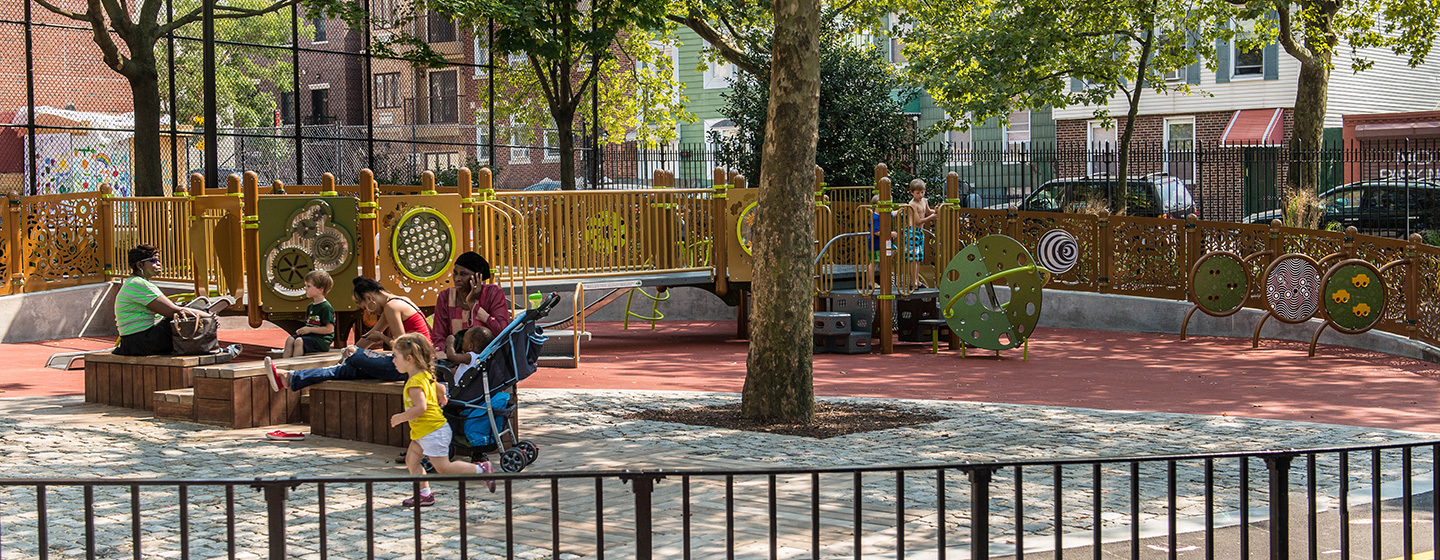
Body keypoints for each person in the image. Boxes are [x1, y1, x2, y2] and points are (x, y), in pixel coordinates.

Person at [387, 333, 496, 506]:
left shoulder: (414, 383)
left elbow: (420, 408)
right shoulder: (424, 375)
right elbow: (438, 386)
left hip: (432, 432)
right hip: (425, 431)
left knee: (443, 467)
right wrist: (442, 395)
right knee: (411, 460)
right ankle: (424, 494)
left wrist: (400, 417)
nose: (393, 360)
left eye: (395, 356)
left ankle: (481, 469)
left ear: (409, 358)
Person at [114, 244, 238, 357]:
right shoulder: (138, 284)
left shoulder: (134, 283)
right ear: (139, 265)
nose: (158, 264)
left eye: (158, 260)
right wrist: (207, 317)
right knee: (183, 318)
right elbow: (173, 311)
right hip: (142, 342)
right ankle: (217, 352)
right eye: (152, 261)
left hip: (134, 343)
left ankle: (212, 349)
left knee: (188, 315)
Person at [429, 252, 510, 352]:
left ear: (478, 277)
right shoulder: (445, 297)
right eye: (455, 273)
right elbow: (438, 337)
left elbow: (502, 332)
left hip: (488, 359)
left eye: (463, 274)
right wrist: (448, 356)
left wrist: (473, 305)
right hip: (453, 359)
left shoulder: (493, 293)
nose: (457, 278)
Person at [352, 276, 431, 349]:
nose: (369, 313)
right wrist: (351, 352)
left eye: (365, 308)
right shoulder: (396, 302)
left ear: (369, 297)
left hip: (418, 358)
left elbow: (402, 346)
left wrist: (381, 337)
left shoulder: (392, 307)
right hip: (421, 354)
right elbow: (370, 335)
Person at [283, 270, 336, 357]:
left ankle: (296, 368)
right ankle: (283, 366)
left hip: (321, 340)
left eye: (309, 286)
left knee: (299, 341)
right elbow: (309, 324)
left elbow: (329, 329)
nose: (305, 288)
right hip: (310, 337)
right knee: (290, 339)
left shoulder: (326, 307)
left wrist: (310, 329)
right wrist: (303, 330)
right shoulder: (310, 306)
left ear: (320, 289)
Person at [903, 179, 937, 289]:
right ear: (912, 192)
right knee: (913, 259)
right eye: (918, 193)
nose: (920, 195)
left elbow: (927, 211)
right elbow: (917, 221)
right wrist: (931, 218)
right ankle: (913, 281)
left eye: (922, 192)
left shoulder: (924, 201)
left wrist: (935, 211)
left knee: (918, 259)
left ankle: (917, 281)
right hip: (912, 232)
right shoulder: (912, 204)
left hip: (920, 232)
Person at [864, 195, 897, 291]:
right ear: (875, 206)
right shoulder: (875, 218)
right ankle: (871, 282)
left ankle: (883, 262)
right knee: (873, 262)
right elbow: (876, 232)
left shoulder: (884, 215)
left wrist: (901, 211)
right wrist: (890, 234)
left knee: (894, 249)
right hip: (875, 243)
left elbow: (893, 213)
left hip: (884, 242)